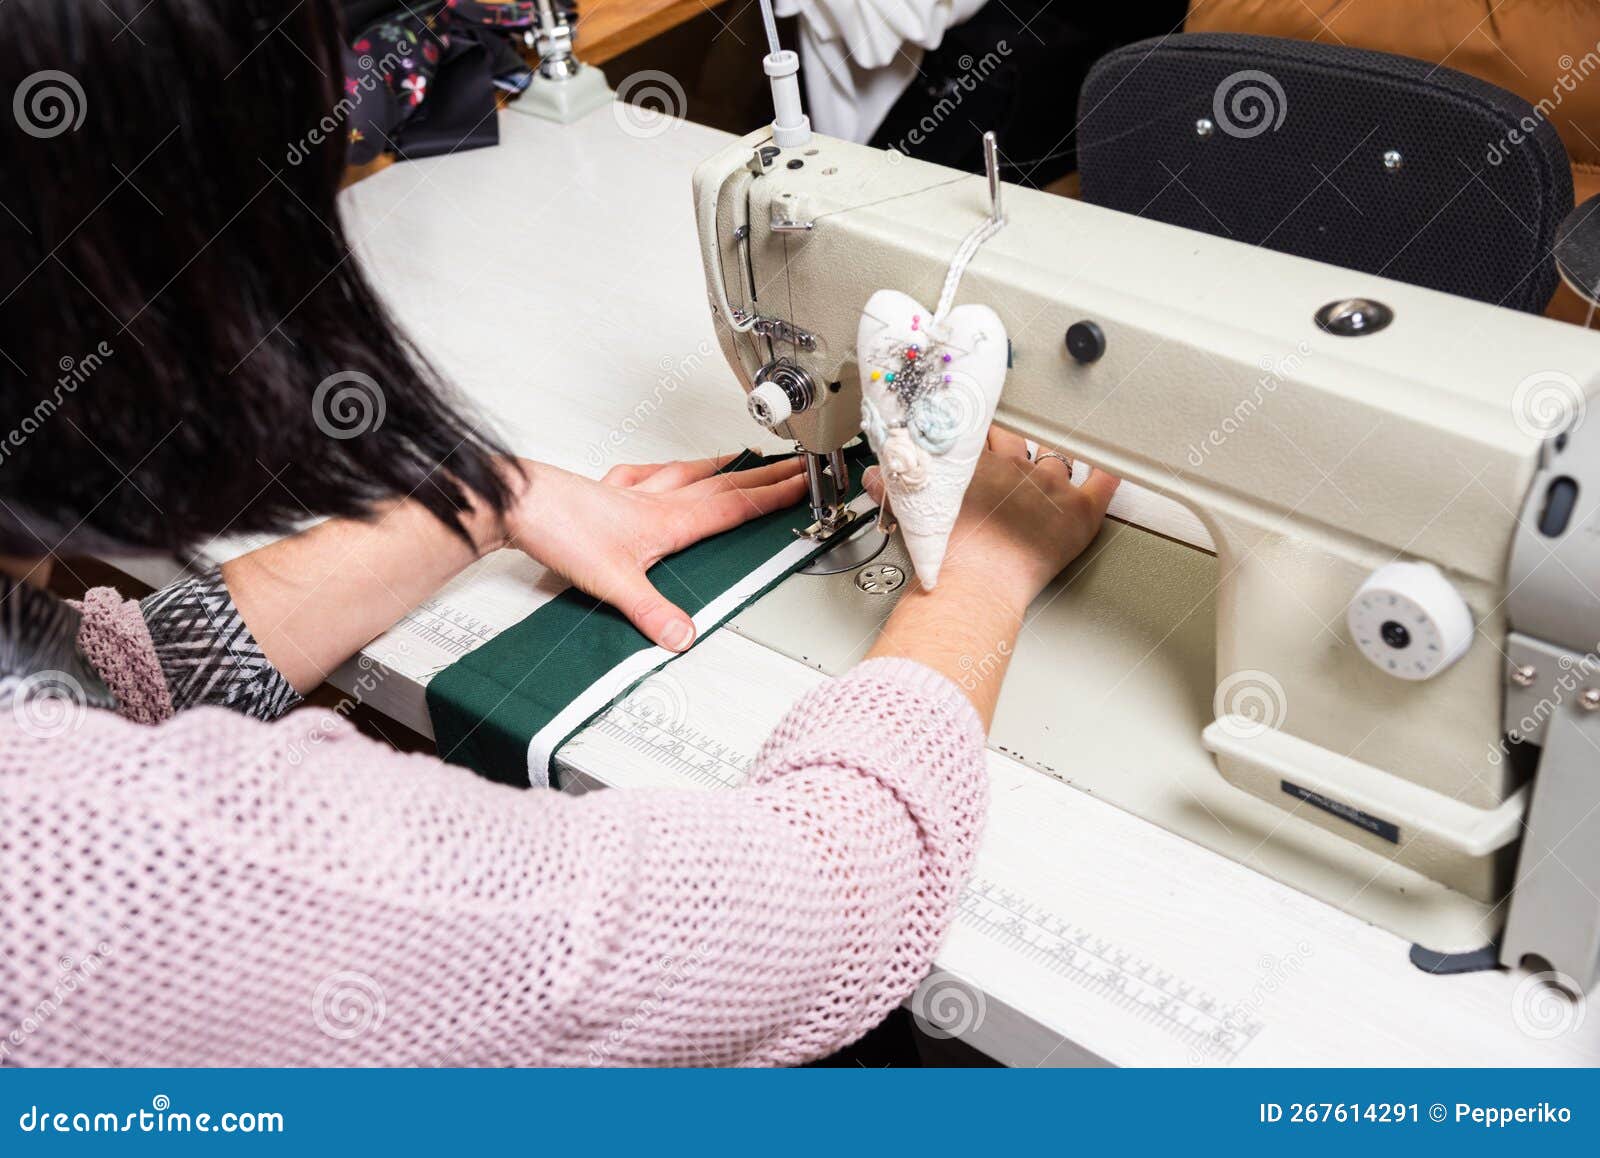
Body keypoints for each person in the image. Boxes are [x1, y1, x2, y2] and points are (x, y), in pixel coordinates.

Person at [0, 0, 1116, 1066]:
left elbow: (110, 692)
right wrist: (976, 573)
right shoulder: (149, 876)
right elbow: (818, 905)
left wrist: (491, 496)